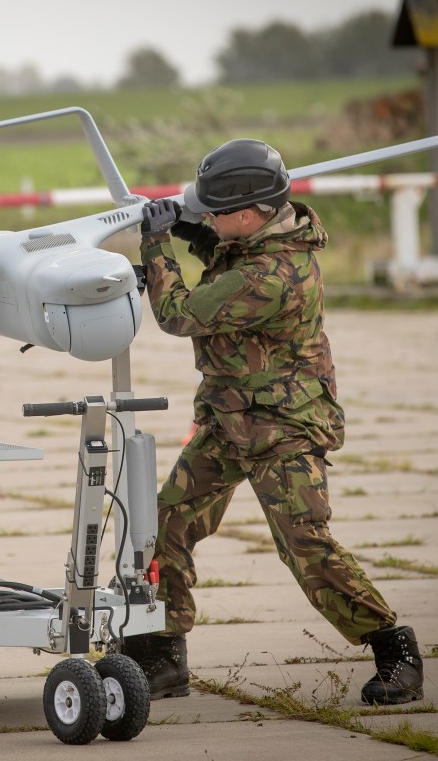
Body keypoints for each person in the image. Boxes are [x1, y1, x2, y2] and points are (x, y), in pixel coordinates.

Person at [127, 138, 423, 707]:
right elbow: (229, 265)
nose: (209, 215)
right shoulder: (262, 241)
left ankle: (393, 648)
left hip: (283, 428)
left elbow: (181, 314)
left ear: (250, 211)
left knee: (305, 545)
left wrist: (157, 244)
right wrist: (202, 238)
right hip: (232, 419)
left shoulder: (274, 275)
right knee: (166, 524)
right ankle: (164, 657)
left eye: (216, 210)